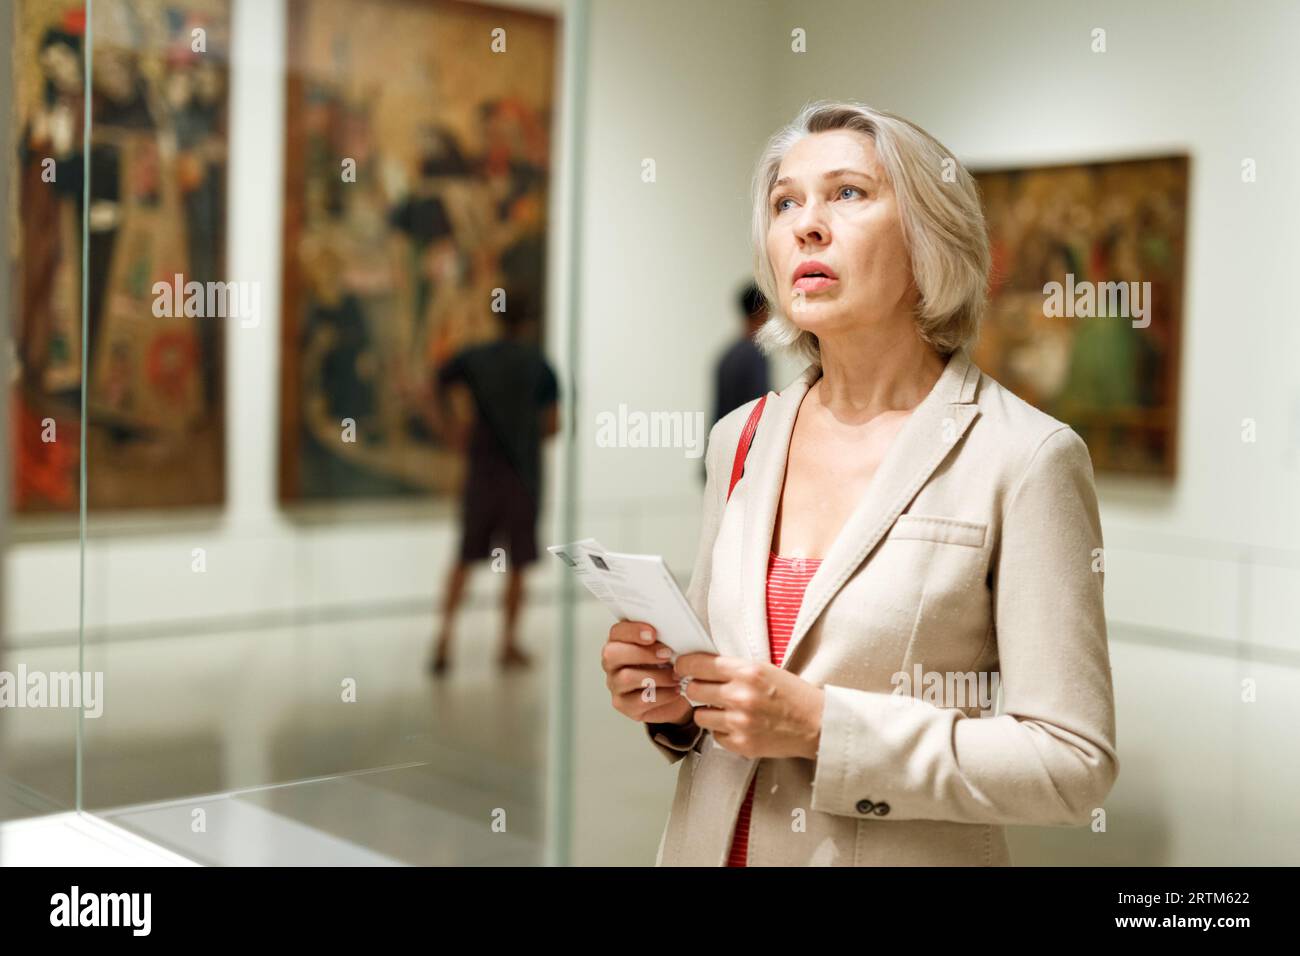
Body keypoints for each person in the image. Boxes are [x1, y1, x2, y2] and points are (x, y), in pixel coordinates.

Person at [600, 100, 1119, 866]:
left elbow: (1071, 766)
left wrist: (824, 729)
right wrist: (677, 707)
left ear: (927, 236)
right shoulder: (740, 439)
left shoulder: (1026, 457)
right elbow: (724, 707)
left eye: (848, 194)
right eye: (785, 202)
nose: (807, 224)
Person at [427, 289, 559, 674]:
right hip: (522, 478)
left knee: (464, 558)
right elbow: (552, 425)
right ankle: (507, 643)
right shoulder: (538, 363)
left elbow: (433, 383)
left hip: (483, 473)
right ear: (528, 321)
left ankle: (444, 640)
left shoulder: (474, 357)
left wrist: (448, 429)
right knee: (518, 564)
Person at [703, 284, 770, 483]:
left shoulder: (727, 355)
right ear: (762, 311)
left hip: (722, 455)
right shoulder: (754, 355)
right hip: (742, 462)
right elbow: (759, 413)